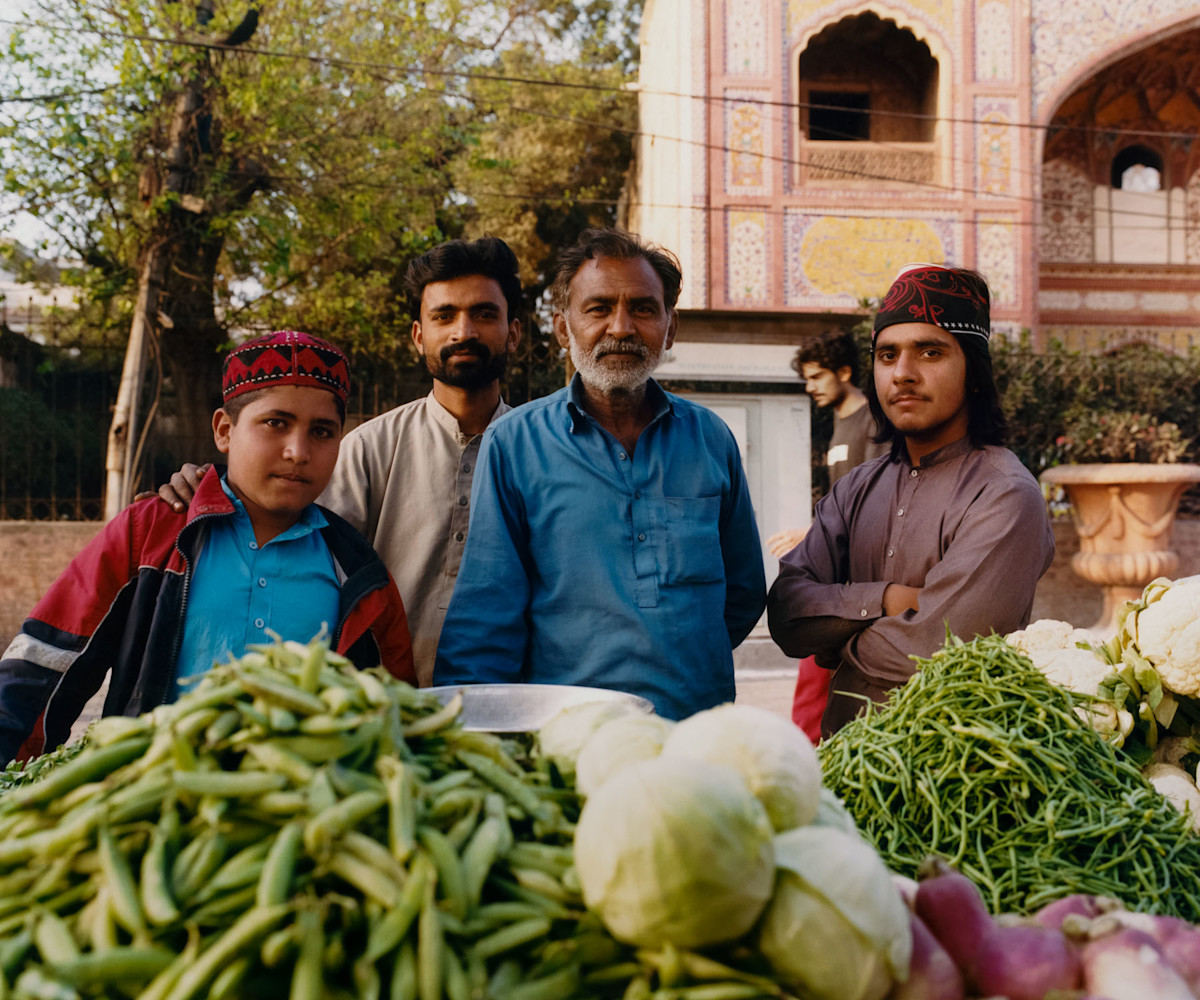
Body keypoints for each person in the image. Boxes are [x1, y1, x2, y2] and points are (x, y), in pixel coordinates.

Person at [0, 331, 415, 763]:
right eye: (276, 423)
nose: (298, 451)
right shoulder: (149, 536)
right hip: (148, 808)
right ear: (224, 430)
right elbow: (42, 665)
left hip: (307, 817)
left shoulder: (359, 574)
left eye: (322, 431)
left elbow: (397, 711)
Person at [150, 236, 523, 686]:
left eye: (484, 314)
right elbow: (298, 550)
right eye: (444, 316)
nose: (463, 332)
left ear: (514, 332)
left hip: (508, 699)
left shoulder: (540, 451)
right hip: (375, 703)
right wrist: (203, 495)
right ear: (418, 336)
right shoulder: (366, 448)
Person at [433, 227, 767, 719]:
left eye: (643, 309)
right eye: (598, 308)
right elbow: (486, 615)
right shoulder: (515, 445)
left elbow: (742, 593)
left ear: (670, 327)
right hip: (566, 741)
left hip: (696, 734)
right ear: (564, 329)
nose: (622, 328)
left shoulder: (710, 439)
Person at [766, 264, 1054, 737]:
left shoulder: (1005, 493)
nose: (902, 373)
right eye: (887, 355)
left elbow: (939, 650)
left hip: (955, 779)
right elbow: (787, 611)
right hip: (846, 771)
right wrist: (891, 599)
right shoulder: (856, 487)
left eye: (930, 352)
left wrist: (836, 643)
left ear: (975, 373)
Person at [765, 327, 887, 742]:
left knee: (820, 680)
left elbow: (877, 501)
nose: (809, 386)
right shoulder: (838, 423)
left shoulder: (873, 421)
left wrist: (812, 532)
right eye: (807, 377)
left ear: (846, 371)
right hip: (838, 570)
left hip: (863, 579)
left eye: (817, 377)